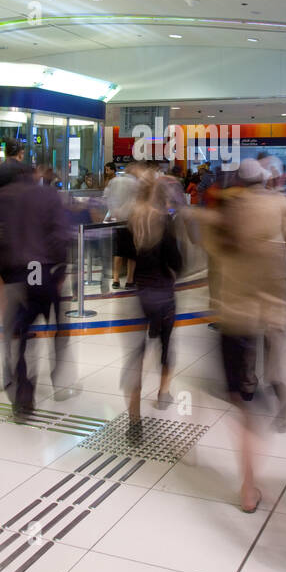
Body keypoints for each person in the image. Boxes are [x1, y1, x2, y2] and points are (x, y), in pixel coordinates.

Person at [194, 157, 286, 512]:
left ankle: (248, 486)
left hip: (234, 317)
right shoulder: (278, 204)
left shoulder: (223, 213)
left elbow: (204, 241)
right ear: (265, 180)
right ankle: (279, 398)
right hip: (271, 311)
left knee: (241, 404)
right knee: (275, 364)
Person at [0, 156, 77, 412]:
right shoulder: (47, 196)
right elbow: (61, 235)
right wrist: (59, 272)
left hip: (15, 277)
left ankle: (24, 394)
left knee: (20, 337)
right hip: (45, 273)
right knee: (58, 328)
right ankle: (59, 379)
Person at [123, 175, 182, 437]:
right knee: (166, 345)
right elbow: (177, 262)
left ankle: (134, 421)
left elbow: (127, 259)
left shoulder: (131, 222)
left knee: (136, 354)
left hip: (139, 296)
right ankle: (163, 393)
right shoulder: (165, 222)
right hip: (163, 294)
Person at [103, 163, 140, 289]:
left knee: (118, 251)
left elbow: (107, 197)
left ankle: (116, 279)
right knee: (131, 253)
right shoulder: (134, 181)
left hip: (117, 221)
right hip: (131, 221)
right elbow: (137, 201)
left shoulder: (114, 181)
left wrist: (113, 213)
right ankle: (129, 280)